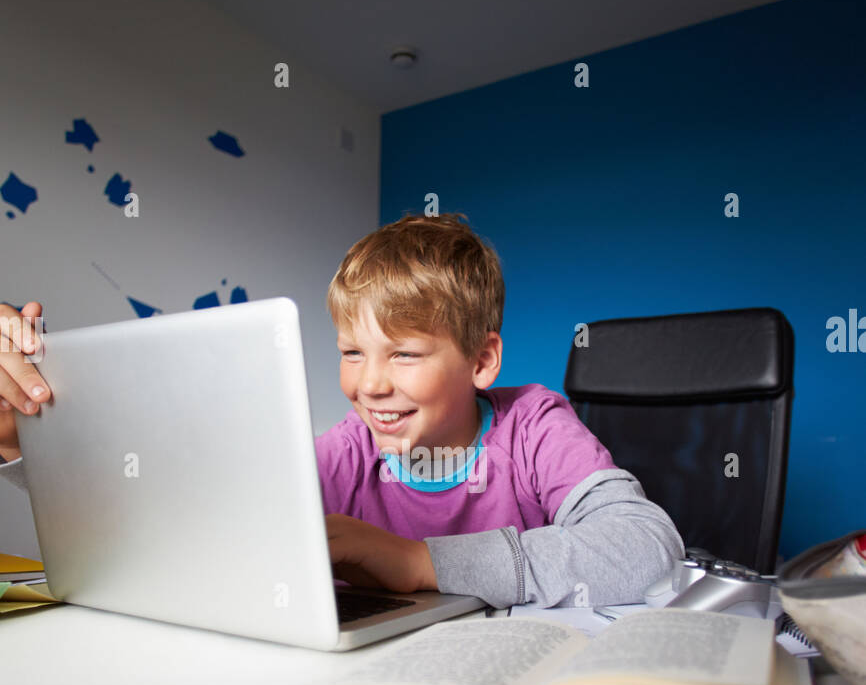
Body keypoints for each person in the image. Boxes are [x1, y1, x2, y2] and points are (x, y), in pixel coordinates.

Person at [0, 215, 684, 606]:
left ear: (481, 360)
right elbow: (189, 515)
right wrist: (28, 440)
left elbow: (649, 547)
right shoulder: (345, 453)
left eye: (406, 355)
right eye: (352, 352)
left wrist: (421, 562)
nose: (371, 385)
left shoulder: (534, 427)